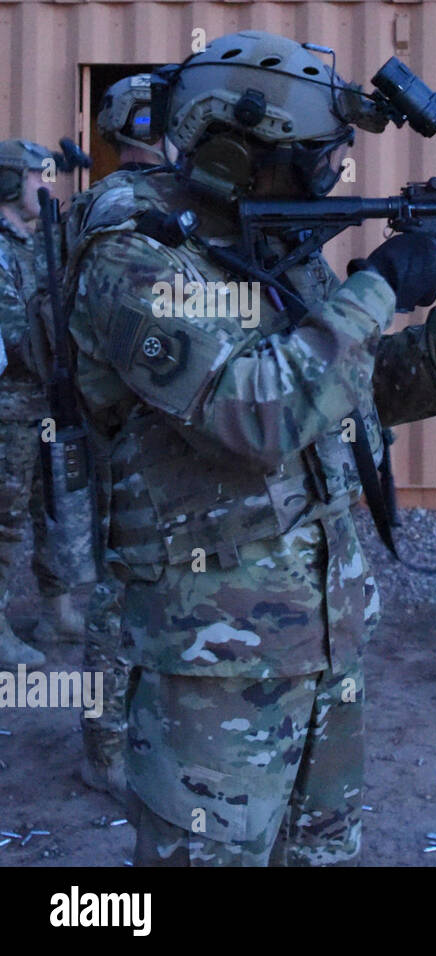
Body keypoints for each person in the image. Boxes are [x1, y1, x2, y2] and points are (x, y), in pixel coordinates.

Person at [63, 30, 436, 865]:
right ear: (231, 158)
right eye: (313, 157)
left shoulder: (265, 250)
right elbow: (260, 413)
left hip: (322, 639)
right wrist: (380, 284)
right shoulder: (136, 256)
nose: (331, 175)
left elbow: (356, 393)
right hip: (210, 661)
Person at [70, 73, 173, 801]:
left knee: (128, 579)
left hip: (120, 419)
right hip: (136, 426)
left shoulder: (95, 203)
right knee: (120, 585)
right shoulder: (132, 208)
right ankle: (106, 745)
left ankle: (121, 736)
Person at [0, 139, 82, 667]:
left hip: (45, 404)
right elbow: (14, 334)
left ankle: (59, 610)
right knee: (4, 522)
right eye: (36, 178)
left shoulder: (35, 241)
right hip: (8, 411)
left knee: (55, 510)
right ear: (10, 183)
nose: (44, 187)